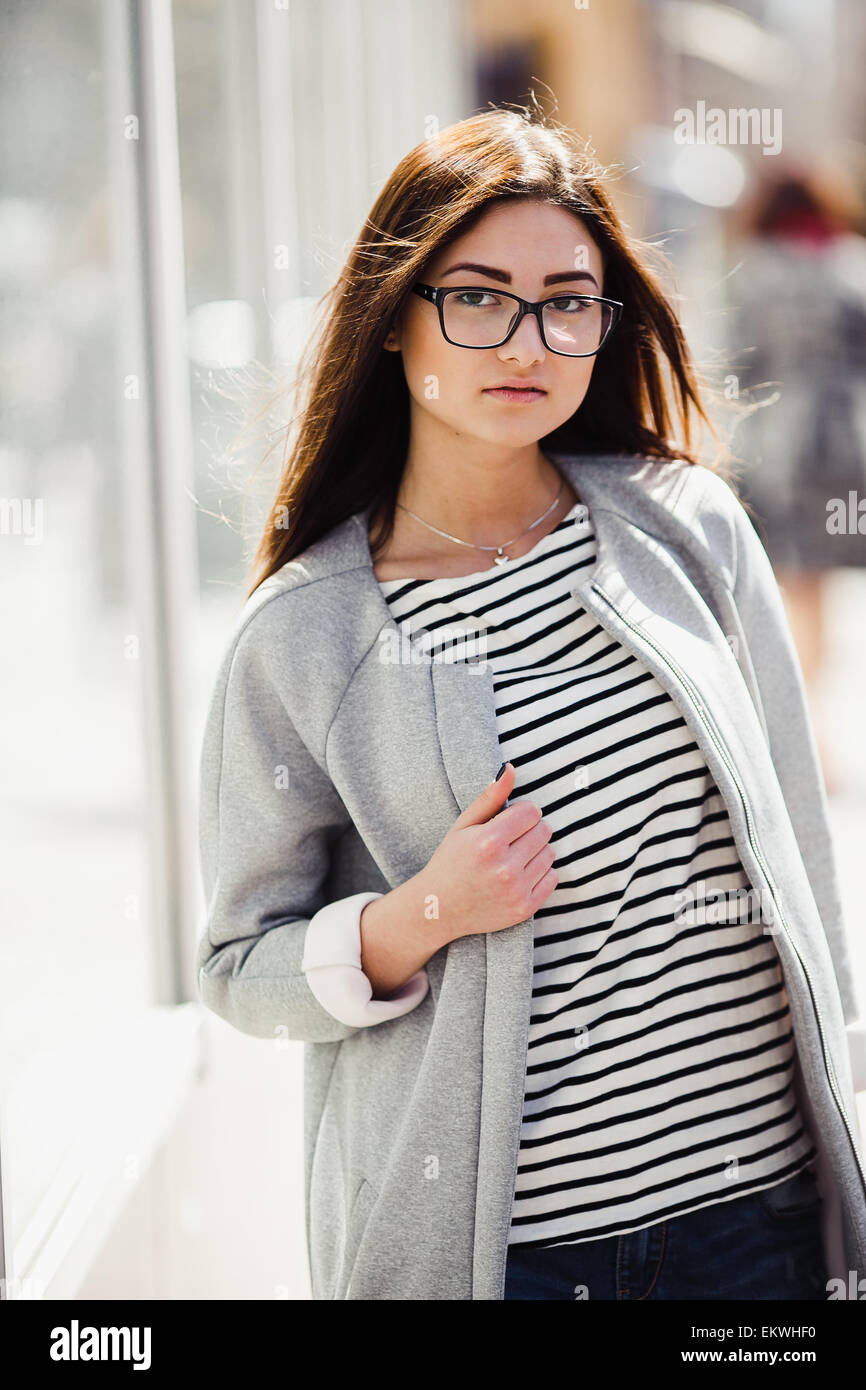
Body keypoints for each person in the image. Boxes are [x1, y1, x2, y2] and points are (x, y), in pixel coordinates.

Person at [195, 108, 866, 1301]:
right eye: (478, 296)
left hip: (753, 1230)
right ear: (396, 316)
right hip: (507, 1260)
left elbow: (801, 865)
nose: (525, 339)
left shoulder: (689, 530)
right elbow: (239, 967)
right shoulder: (309, 634)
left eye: (566, 300)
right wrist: (420, 915)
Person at [724, 168, 866, 792]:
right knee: (817, 592)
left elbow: (732, 364)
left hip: (771, 450)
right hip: (839, 449)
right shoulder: (850, 266)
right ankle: (812, 738)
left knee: (779, 588)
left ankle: (793, 735)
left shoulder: (749, 272)